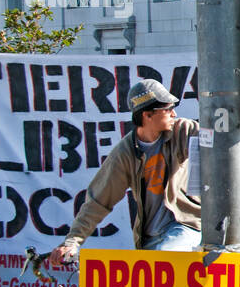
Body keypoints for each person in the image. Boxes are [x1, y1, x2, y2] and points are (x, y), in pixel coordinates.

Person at [49, 79, 201, 265]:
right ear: (147, 115)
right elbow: (97, 201)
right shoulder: (125, 153)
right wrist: (72, 242)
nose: (174, 113)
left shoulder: (184, 131)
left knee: (164, 262)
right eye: (168, 109)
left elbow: (218, 143)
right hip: (150, 240)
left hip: (186, 226)